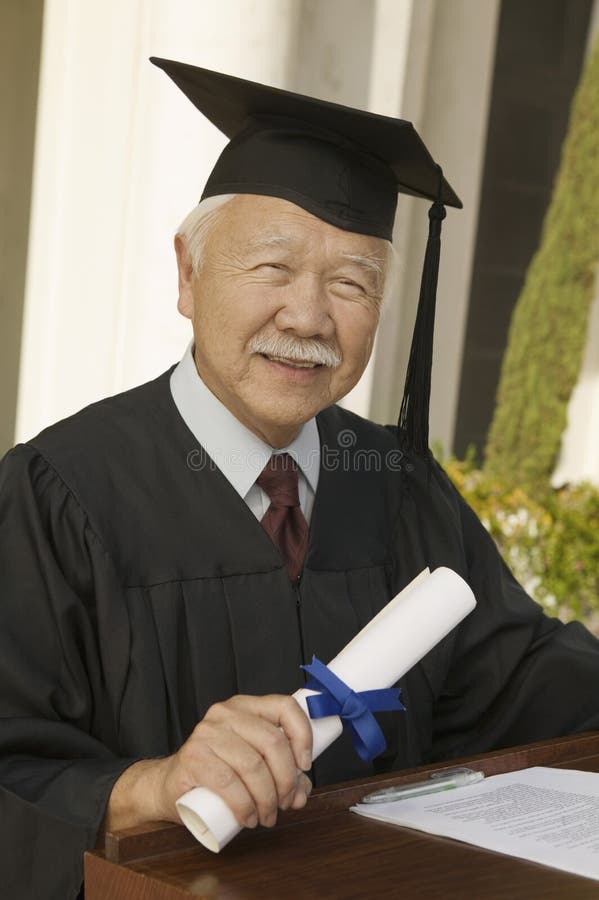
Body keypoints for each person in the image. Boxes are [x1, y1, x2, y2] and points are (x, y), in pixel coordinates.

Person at [2, 58, 599, 900]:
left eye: (351, 283)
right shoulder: (57, 494)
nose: (309, 317)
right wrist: (152, 786)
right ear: (186, 274)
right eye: (272, 269)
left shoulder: (397, 488)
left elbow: (527, 681)